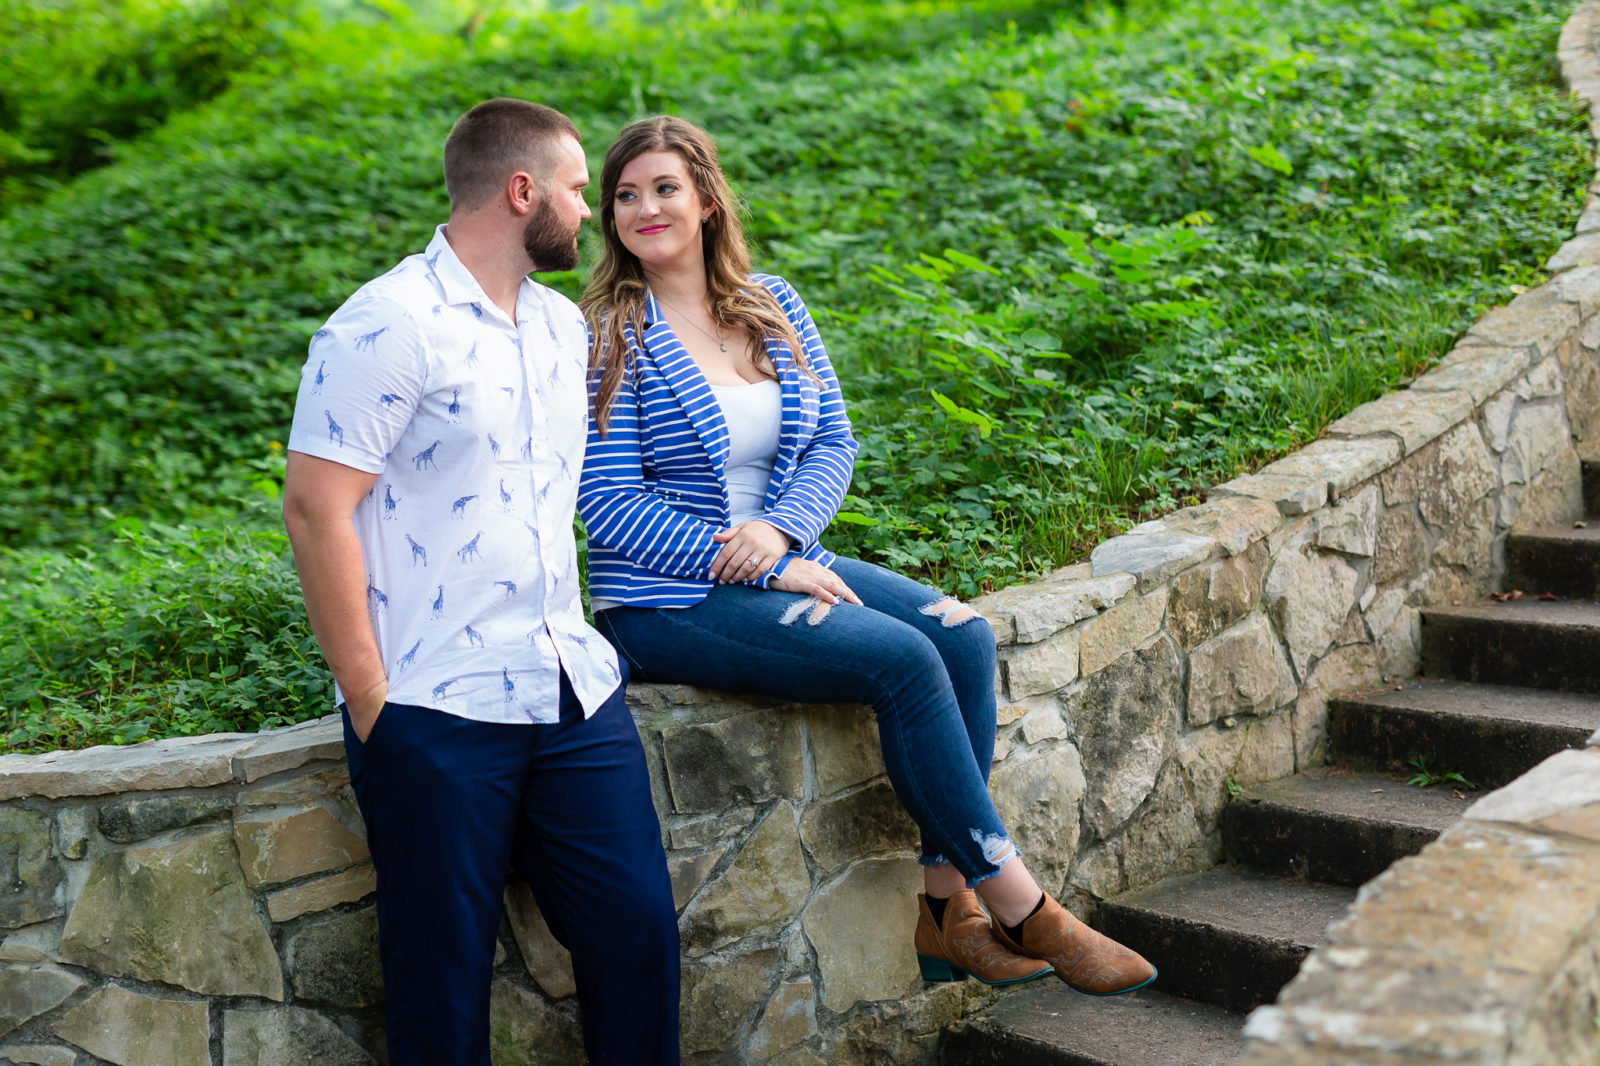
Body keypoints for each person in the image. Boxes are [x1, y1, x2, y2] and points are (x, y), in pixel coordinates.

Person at [576, 115, 1157, 996]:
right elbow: (604, 503)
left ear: (704, 199)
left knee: (960, 635)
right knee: (901, 658)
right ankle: (1026, 904)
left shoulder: (771, 305)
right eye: (624, 195)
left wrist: (778, 534)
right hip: (666, 597)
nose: (643, 207)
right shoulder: (609, 334)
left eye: (663, 188)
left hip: (783, 554)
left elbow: (833, 444)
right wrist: (762, 564)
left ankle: (942, 908)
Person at [282, 99, 679, 1066]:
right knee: (441, 986)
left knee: (639, 939)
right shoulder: (386, 324)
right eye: (580, 190)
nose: (589, 212)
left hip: (569, 690)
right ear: (521, 191)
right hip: (434, 705)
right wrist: (376, 705)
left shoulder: (557, 326)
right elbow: (315, 508)